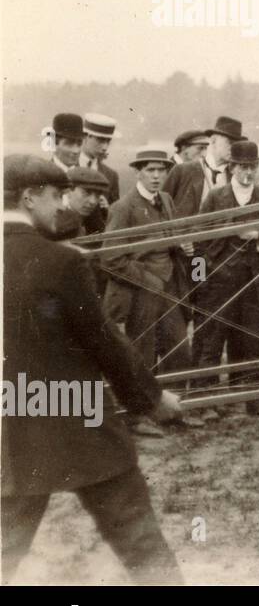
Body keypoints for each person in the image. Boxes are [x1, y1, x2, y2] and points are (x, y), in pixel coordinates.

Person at [2, 155, 183, 583]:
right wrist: (151, 400)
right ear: (29, 198)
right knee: (139, 538)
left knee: (4, 548)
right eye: (56, 196)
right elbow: (103, 340)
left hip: (10, 431)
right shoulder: (60, 261)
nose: (61, 207)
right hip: (79, 421)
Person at [102, 148, 193, 436]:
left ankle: (172, 409)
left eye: (161, 170)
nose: (156, 176)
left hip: (169, 287)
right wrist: (148, 280)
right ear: (138, 172)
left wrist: (183, 245)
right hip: (139, 291)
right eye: (150, 170)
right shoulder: (123, 207)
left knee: (179, 347)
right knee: (142, 353)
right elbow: (110, 258)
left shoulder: (165, 199)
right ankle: (138, 415)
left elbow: (171, 237)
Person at [194, 140, 259, 416]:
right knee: (212, 342)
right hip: (219, 282)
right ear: (232, 168)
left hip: (254, 283)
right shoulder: (216, 198)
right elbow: (198, 239)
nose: (248, 172)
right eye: (242, 167)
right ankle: (206, 404)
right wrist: (202, 278)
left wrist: (258, 236)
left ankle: (255, 404)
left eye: (252, 167)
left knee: (252, 342)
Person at [164, 115, 244, 219]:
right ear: (213, 141)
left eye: (237, 144)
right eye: (230, 143)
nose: (233, 148)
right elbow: (160, 206)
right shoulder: (182, 170)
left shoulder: (235, 177)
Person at [79, 113, 122, 205]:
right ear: (86, 136)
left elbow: (115, 210)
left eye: (108, 141)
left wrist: (107, 208)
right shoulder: (67, 166)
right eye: (100, 140)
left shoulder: (111, 176)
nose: (105, 147)